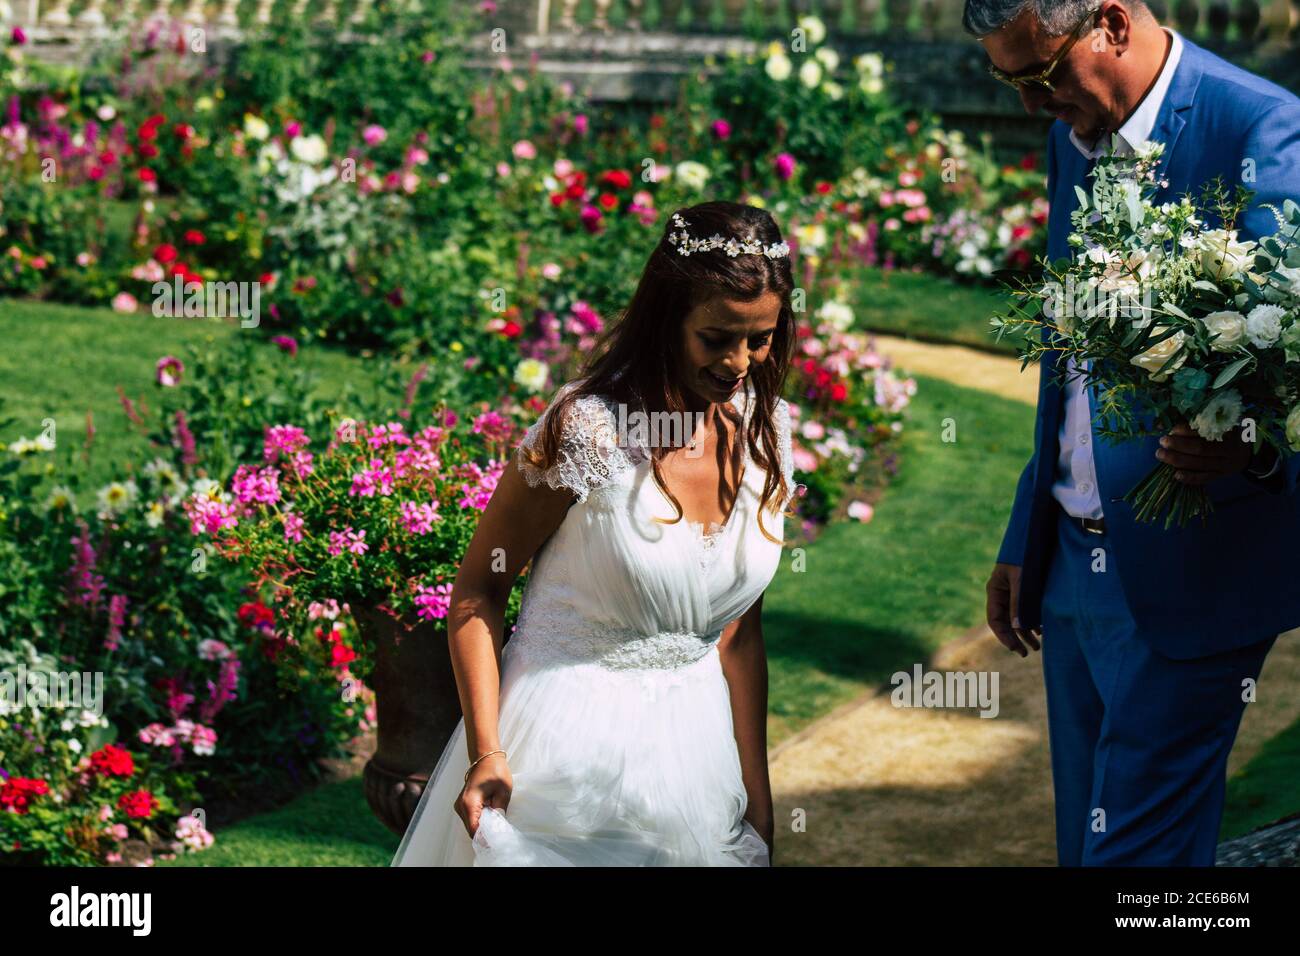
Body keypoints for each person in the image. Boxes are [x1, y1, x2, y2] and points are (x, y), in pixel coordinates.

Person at [968, 0, 1300, 865]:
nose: (1033, 107)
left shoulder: (1263, 126)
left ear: (1110, 22)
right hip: (1073, 568)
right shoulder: (1067, 142)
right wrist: (1025, 529)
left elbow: (1290, 355)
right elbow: (1067, 364)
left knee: (1134, 857)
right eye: (1010, 84)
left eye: (1040, 76)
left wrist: (1253, 447)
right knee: (1091, 838)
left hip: (1197, 560)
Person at [390, 201, 798, 866]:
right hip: (560, 766)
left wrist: (758, 796)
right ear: (667, 320)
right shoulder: (586, 430)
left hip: (697, 764)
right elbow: (477, 591)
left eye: (760, 339)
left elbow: (741, 635)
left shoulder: (766, 431)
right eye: (717, 338)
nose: (740, 362)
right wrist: (486, 751)